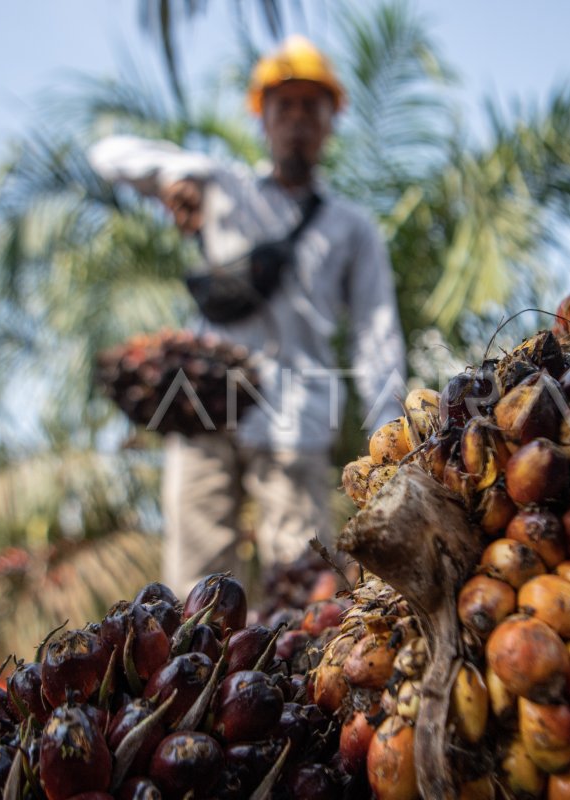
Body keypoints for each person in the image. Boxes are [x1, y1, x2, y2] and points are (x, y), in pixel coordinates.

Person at [89, 36, 407, 598]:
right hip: (204, 410)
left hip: (295, 416)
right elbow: (108, 156)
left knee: (303, 592)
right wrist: (174, 178)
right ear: (263, 117)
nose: (298, 119)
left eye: (312, 105)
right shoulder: (223, 187)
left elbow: (376, 333)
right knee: (195, 591)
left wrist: (390, 440)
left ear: (331, 120)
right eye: (284, 105)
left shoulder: (352, 227)